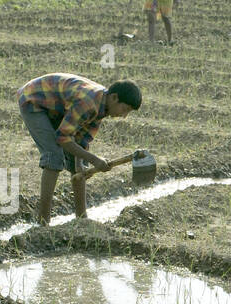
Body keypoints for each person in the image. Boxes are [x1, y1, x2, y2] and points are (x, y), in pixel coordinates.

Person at [16, 74, 142, 225]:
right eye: (125, 109)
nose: (124, 115)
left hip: (55, 107)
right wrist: (94, 159)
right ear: (114, 98)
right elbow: (63, 137)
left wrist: (79, 165)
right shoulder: (88, 102)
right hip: (34, 99)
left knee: (80, 166)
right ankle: (43, 223)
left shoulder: (101, 107)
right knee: (54, 156)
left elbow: (80, 140)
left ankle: (81, 218)